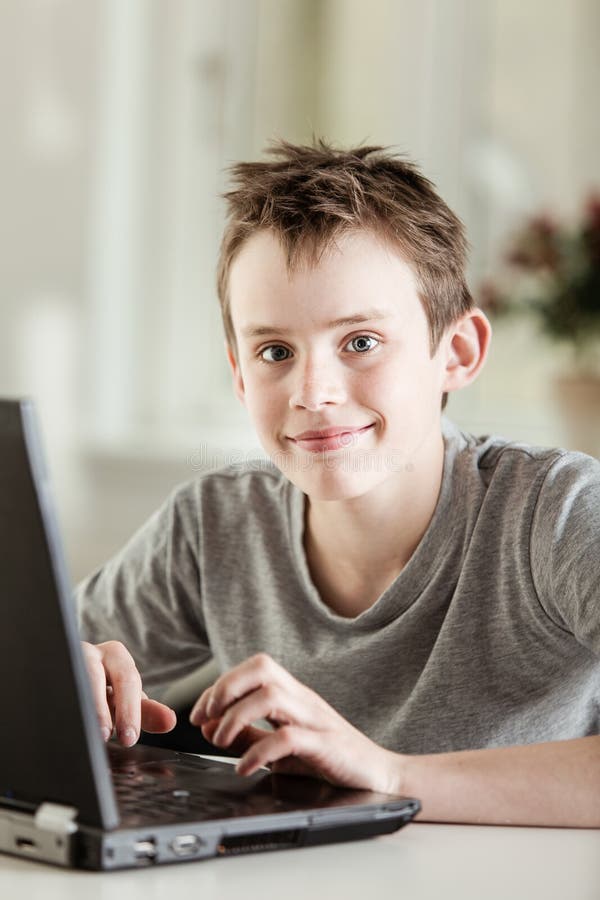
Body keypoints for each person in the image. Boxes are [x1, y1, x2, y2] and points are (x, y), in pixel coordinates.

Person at [76, 139, 600, 827]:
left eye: (360, 342)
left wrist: (387, 774)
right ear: (239, 375)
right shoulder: (216, 524)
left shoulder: (555, 512)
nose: (314, 392)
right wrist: (62, 672)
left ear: (458, 352)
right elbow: (40, 660)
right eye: (274, 351)